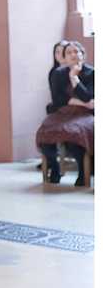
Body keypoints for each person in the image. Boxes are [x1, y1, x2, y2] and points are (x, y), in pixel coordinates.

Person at [37, 41, 94, 186]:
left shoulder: (92, 73)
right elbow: (57, 99)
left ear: (82, 54)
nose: (73, 55)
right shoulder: (58, 74)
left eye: (76, 51)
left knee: (73, 136)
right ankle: (54, 167)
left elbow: (89, 97)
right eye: (69, 53)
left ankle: (83, 170)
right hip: (62, 113)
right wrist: (79, 101)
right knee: (45, 133)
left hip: (83, 114)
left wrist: (74, 78)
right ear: (65, 57)